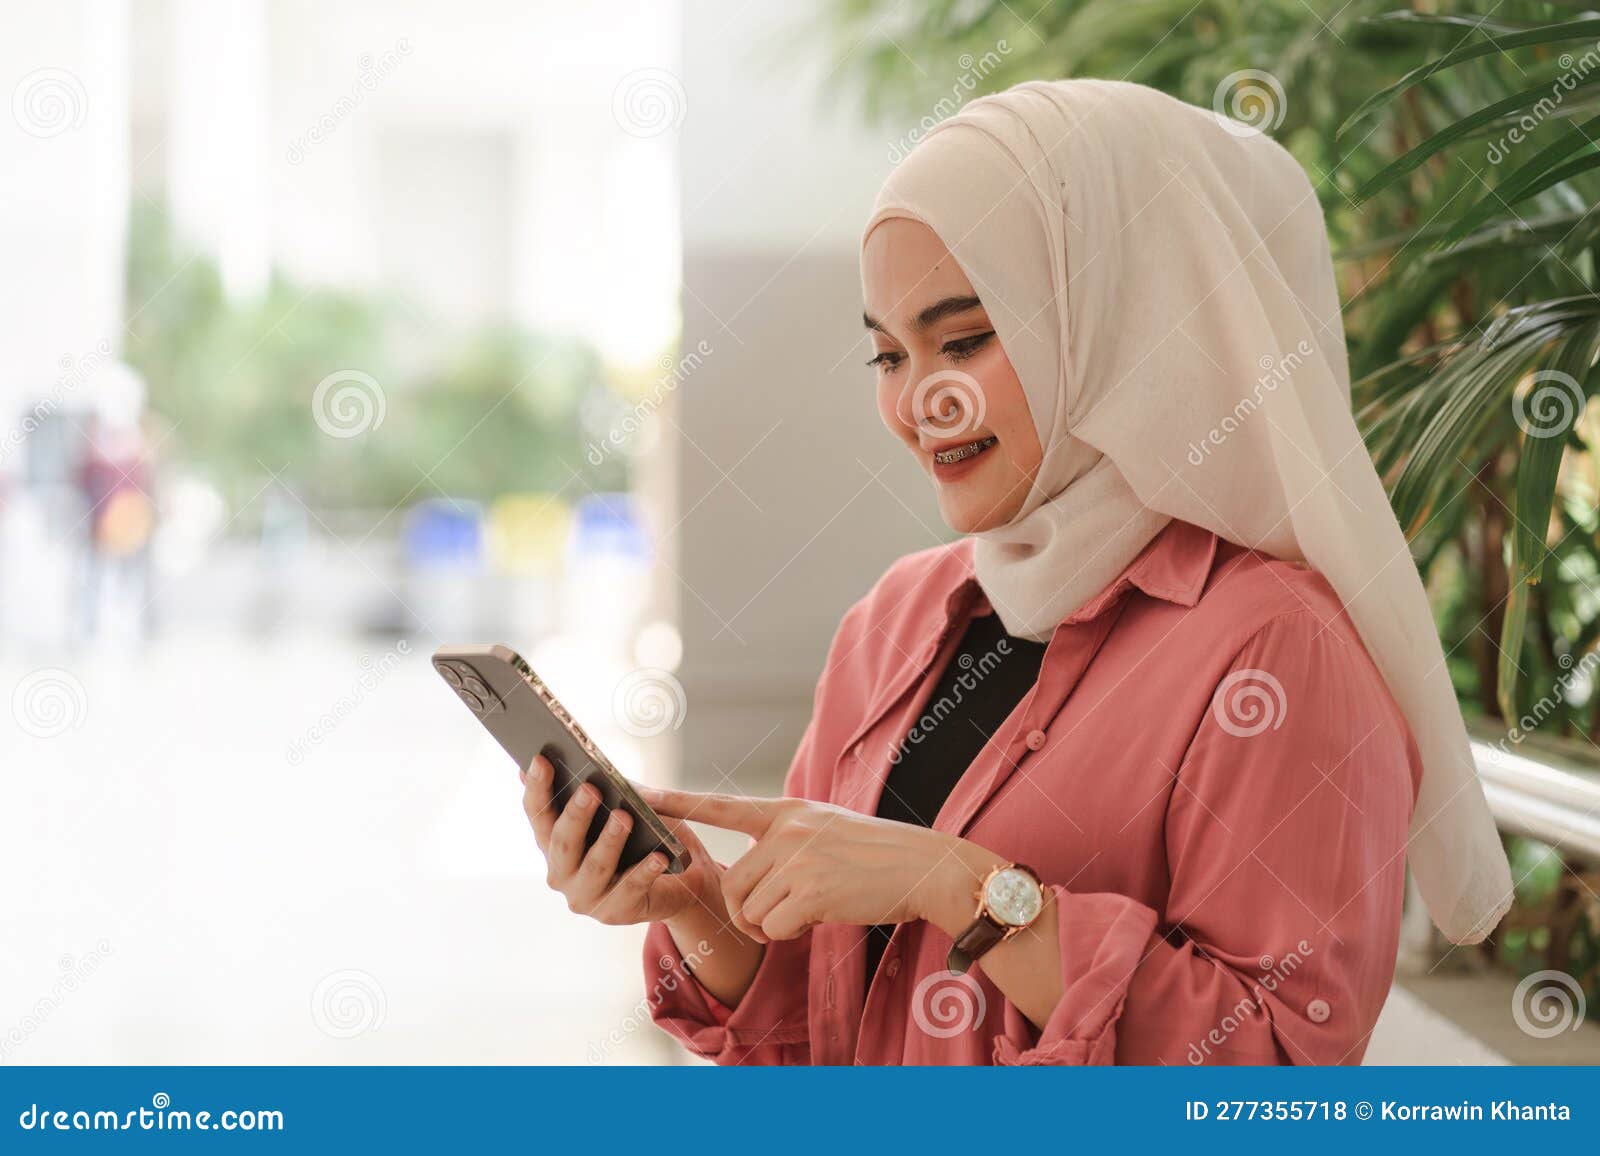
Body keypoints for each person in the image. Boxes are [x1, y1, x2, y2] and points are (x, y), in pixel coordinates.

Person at [519, 79, 1512, 1064]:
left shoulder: (1280, 649)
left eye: (964, 340)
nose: (920, 404)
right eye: (887, 357)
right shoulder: (899, 618)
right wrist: (698, 909)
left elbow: (1276, 1068)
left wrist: (963, 889)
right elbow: (826, 1033)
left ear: (1118, 321)